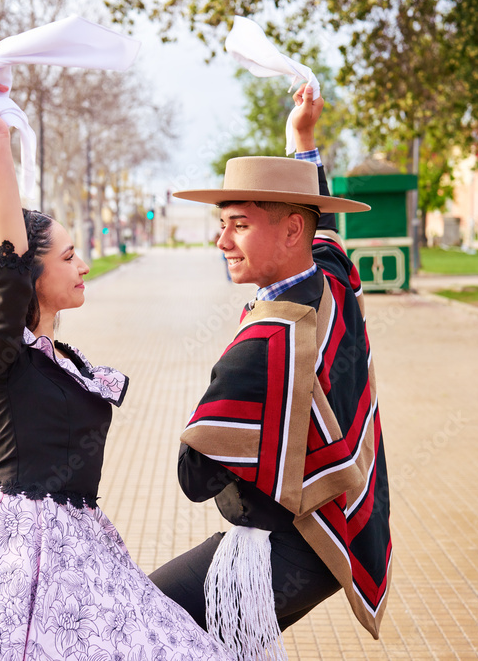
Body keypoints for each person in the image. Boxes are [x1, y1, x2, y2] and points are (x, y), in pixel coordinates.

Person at [0, 71, 234, 661]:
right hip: (15, 558)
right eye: (69, 256)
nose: (84, 264)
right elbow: (6, 262)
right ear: (28, 277)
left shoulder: (56, 357)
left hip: (83, 551)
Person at [148, 85, 393, 657]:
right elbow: (319, 222)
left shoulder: (263, 343)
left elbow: (194, 479)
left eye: (238, 224)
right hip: (344, 533)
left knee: (143, 618)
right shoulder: (329, 280)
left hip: (289, 547)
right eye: (222, 224)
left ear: (289, 233)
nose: (221, 240)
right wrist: (301, 136)